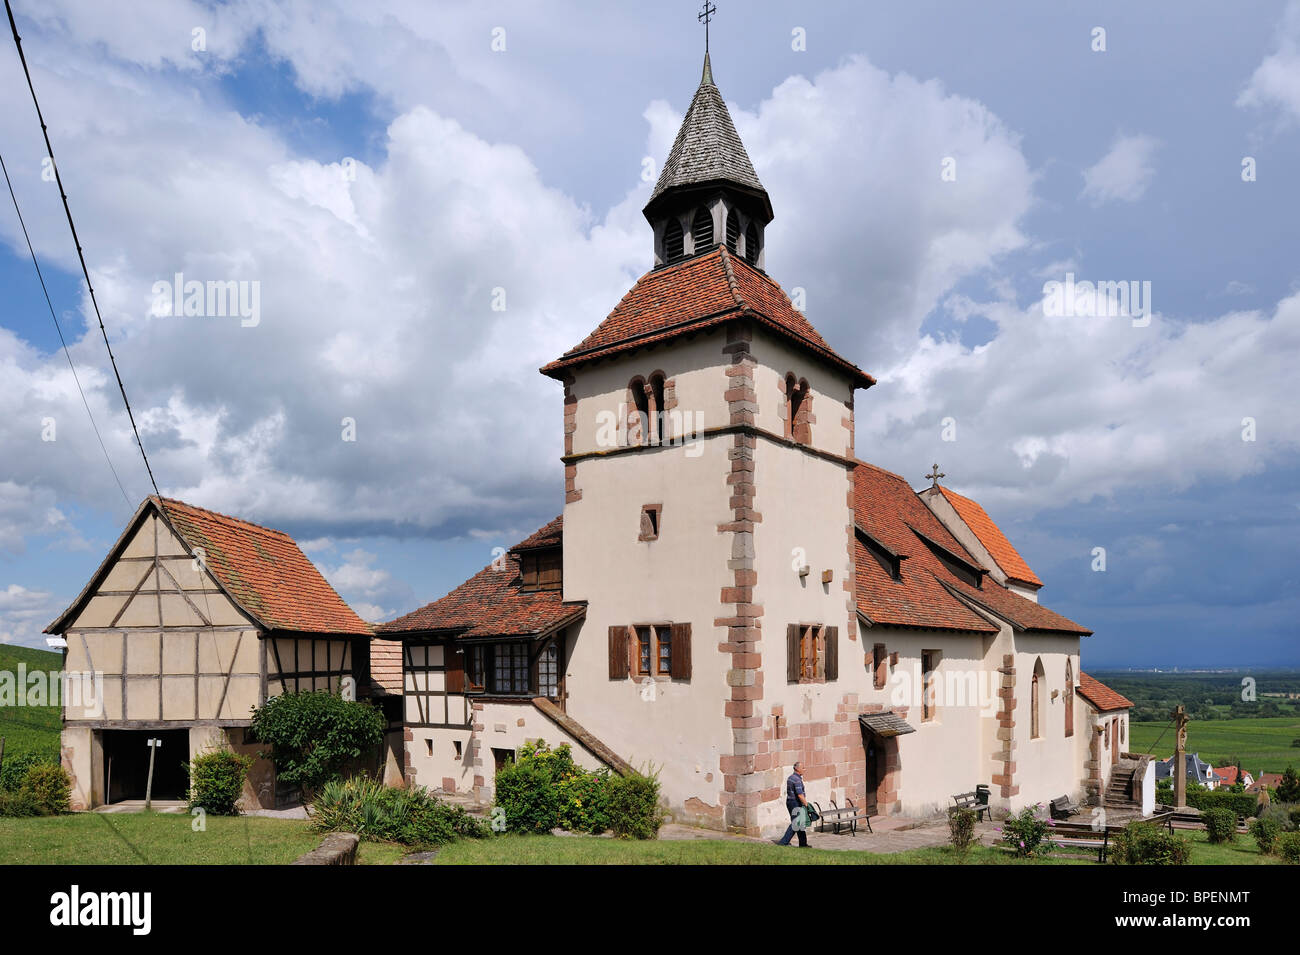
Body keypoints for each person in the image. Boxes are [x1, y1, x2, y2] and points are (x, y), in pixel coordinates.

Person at [776, 761, 810, 847]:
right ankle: (783, 842)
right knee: (796, 823)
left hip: (790, 802)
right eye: (803, 768)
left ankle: (803, 844)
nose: (804, 770)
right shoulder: (797, 780)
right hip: (795, 803)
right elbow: (799, 794)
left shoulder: (790, 777)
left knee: (800, 823)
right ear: (797, 769)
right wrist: (806, 804)